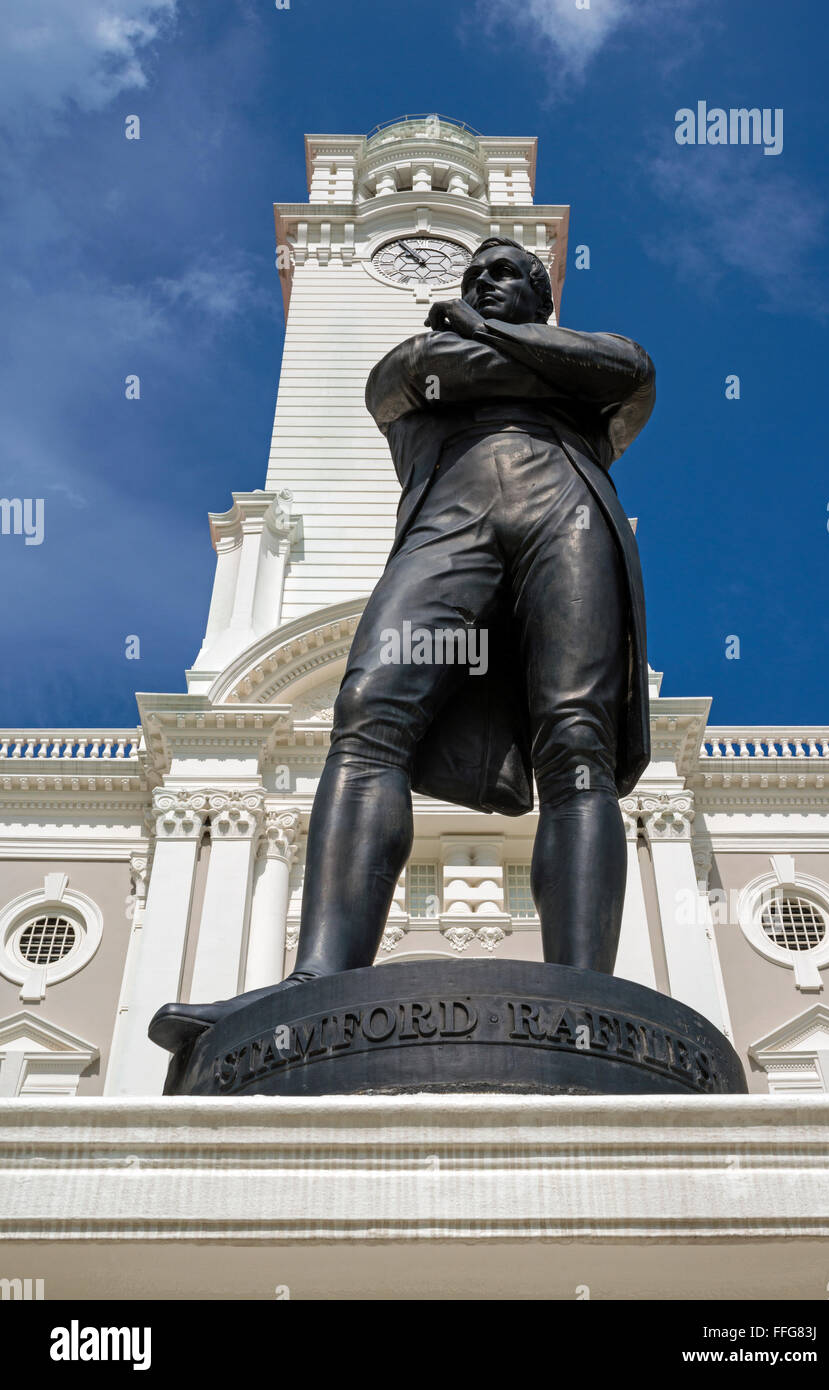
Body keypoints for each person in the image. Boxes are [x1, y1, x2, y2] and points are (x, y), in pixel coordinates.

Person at [150, 237, 655, 1056]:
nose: (482, 284)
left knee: (576, 739)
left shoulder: (519, 346)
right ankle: (317, 977)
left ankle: (585, 997)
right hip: (450, 522)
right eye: (471, 278)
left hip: (567, 511)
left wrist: (491, 339)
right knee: (368, 712)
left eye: (504, 273)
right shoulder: (415, 358)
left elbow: (627, 371)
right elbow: (430, 377)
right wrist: (547, 368)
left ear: (543, 293)